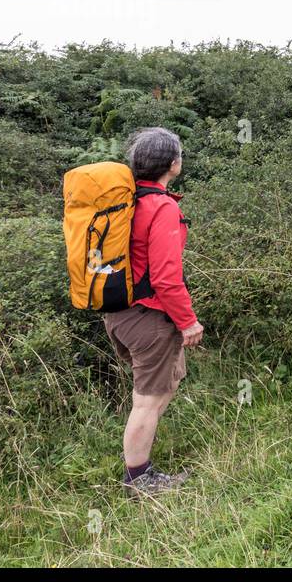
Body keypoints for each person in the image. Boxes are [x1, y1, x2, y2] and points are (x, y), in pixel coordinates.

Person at [102, 127, 204, 495]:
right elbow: (165, 276)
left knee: (157, 391)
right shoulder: (161, 206)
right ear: (173, 165)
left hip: (120, 313)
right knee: (147, 401)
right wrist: (188, 321)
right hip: (148, 318)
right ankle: (139, 479)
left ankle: (141, 468)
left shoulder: (128, 203)